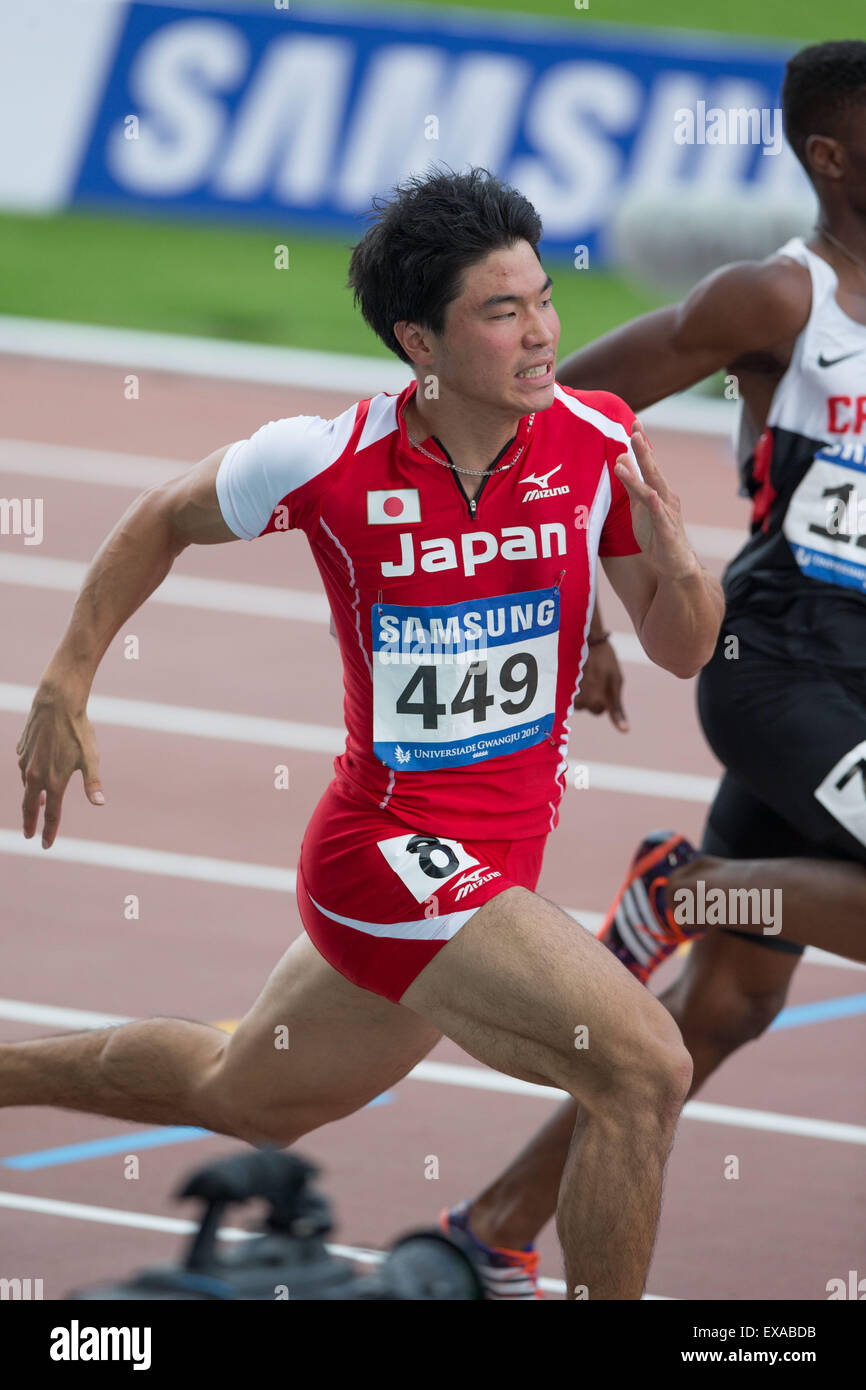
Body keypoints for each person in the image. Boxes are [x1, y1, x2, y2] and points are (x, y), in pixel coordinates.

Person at [8, 167, 724, 1301]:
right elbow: (161, 517)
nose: (541, 333)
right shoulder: (326, 459)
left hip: (499, 861)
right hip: (382, 853)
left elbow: (683, 648)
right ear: (419, 341)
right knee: (640, 1070)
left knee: (243, 1088)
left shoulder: (597, 439)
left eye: (541, 298)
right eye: (502, 311)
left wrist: (677, 563)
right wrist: (66, 676)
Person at [442, 39, 866, 1298]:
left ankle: (494, 1223)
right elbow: (562, 408)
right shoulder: (777, 302)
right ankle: (687, 886)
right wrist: (575, 606)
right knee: (725, 933)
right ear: (831, 158)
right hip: (782, 667)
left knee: (723, 1009)